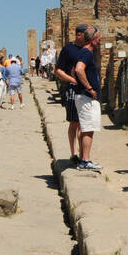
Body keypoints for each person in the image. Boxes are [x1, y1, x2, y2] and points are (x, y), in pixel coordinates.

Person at [55, 24, 89, 162]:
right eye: (86, 34)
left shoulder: (88, 49)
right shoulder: (68, 50)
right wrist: (71, 80)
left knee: (85, 123)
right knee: (74, 122)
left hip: (86, 90)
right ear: (79, 34)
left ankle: (83, 155)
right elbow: (58, 70)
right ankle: (73, 153)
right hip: (72, 90)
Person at [72, 27, 102, 170]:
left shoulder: (82, 52)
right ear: (92, 39)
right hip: (86, 97)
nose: (99, 42)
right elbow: (78, 69)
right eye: (98, 39)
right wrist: (89, 88)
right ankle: (85, 160)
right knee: (88, 129)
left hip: (84, 96)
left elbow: (74, 71)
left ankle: (84, 159)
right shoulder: (87, 53)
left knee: (87, 129)